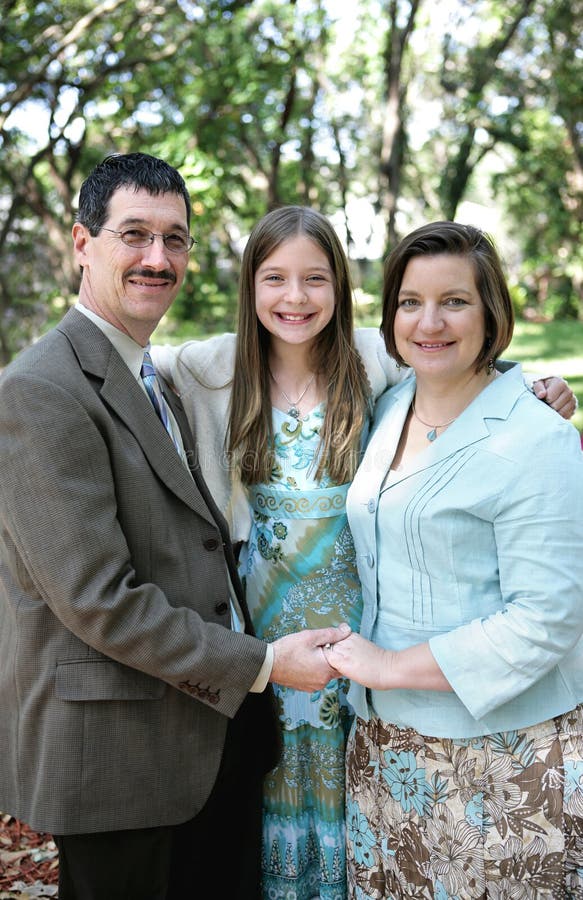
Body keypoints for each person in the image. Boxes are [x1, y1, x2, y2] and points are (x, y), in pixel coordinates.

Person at [152, 207, 576, 900]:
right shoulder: (214, 369)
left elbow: (459, 361)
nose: (295, 298)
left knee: (368, 813)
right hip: (269, 630)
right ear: (249, 288)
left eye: (315, 279)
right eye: (275, 279)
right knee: (271, 794)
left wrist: (536, 387)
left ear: (341, 289)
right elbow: (122, 364)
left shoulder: (374, 362)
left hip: (363, 636)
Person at [0, 155, 351, 900]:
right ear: (82, 242)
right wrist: (260, 665)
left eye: (175, 239)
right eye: (134, 234)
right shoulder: (38, 392)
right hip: (120, 759)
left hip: (210, 738)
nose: (158, 258)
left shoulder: (154, 374)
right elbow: (98, 599)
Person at [322, 221, 583, 898]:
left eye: (454, 301)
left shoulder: (534, 437)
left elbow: (545, 619)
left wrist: (385, 665)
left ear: (490, 312)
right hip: (382, 750)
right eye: (410, 302)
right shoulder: (386, 406)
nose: (428, 321)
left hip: (499, 757)